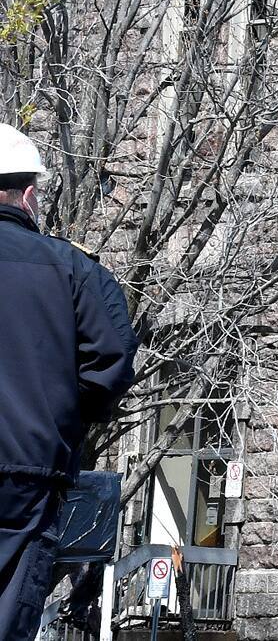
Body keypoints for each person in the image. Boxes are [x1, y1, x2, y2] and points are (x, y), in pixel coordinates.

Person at [0, 124, 139, 641]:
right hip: (29, 477)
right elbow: (111, 363)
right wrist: (60, 415)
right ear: (29, 194)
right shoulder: (73, 269)